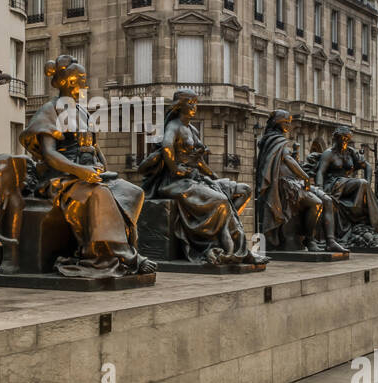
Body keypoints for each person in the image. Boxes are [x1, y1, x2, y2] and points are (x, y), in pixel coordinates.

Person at [19, 54, 156, 278]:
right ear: (68, 81)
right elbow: (50, 154)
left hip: (88, 174)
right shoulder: (50, 109)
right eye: (82, 79)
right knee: (100, 194)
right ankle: (111, 255)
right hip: (62, 177)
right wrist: (80, 171)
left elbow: (95, 147)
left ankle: (119, 247)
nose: (86, 84)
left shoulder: (83, 111)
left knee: (133, 191)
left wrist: (102, 168)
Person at [138, 89, 259, 263]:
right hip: (176, 183)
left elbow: (199, 161)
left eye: (195, 102)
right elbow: (166, 146)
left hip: (197, 178)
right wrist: (176, 169)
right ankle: (215, 242)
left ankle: (221, 231)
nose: (194, 106)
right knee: (221, 201)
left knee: (244, 190)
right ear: (179, 106)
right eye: (190, 102)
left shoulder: (192, 129)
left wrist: (214, 176)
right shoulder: (174, 126)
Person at [254, 110, 344, 251]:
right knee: (317, 203)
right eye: (286, 122)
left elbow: (288, 160)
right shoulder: (274, 139)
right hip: (285, 184)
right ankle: (310, 241)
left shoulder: (277, 139)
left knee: (327, 200)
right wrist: (305, 177)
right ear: (277, 122)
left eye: (290, 122)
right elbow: (287, 160)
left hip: (294, 182)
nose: (289, 125)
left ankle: (330, 241)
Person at [315, 125, 378, 244]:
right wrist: (320, 190)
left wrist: (368, 184)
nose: (346, 141)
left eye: (348, 139)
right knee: (361, 183)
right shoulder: (328, 154)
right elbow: (320, 172)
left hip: (348, 184)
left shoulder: (350, 152)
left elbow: (368, 167)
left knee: (362, 183)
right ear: (336, 138)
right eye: (343, 138)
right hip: (334, 185)